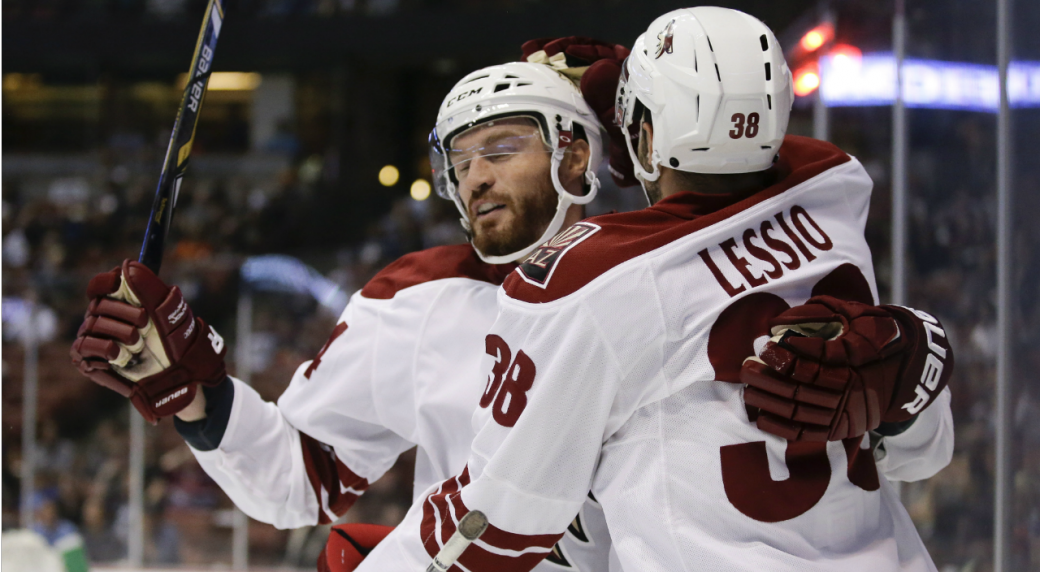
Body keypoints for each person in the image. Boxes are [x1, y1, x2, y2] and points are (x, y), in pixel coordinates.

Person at [350, 7, 955, 572]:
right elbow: (923, 455)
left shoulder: (591, 282)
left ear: (640, 135)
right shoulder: (834, 194)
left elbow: (494, 522)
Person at [69, 47, 630, 572]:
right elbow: (301, 477)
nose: (477, 176)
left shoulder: (667, 275)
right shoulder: (418, 298)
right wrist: (198, 394)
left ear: (574, 153)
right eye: (460, 162)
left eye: (503, 150)